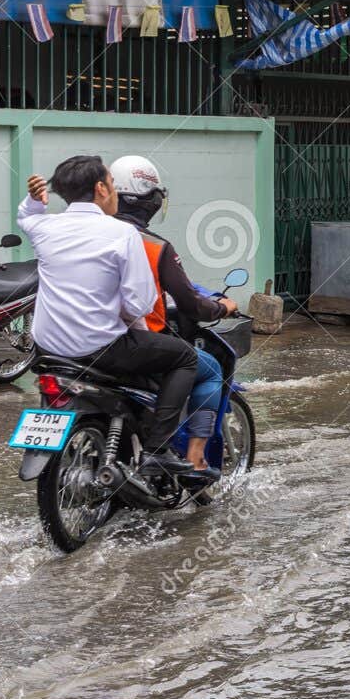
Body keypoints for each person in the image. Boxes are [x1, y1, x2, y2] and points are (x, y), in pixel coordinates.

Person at [17, 156, 197, 477]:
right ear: (101, 188)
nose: (114, 193)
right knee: (184, 357)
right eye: (112, 185)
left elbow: (26, 217)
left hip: (46, 349)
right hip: (99, 349)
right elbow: (140, 303)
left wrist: (34, 201)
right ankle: (157, 451)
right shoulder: (122, 233)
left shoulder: (45, 228)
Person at [109, 155, 238, 474]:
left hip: (68, 342)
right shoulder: (153, 245)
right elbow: (191, 303)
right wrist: (221, 307)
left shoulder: (80, 235)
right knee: (209, 369)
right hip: (131, 343)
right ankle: (193, 457)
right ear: (150, 202)